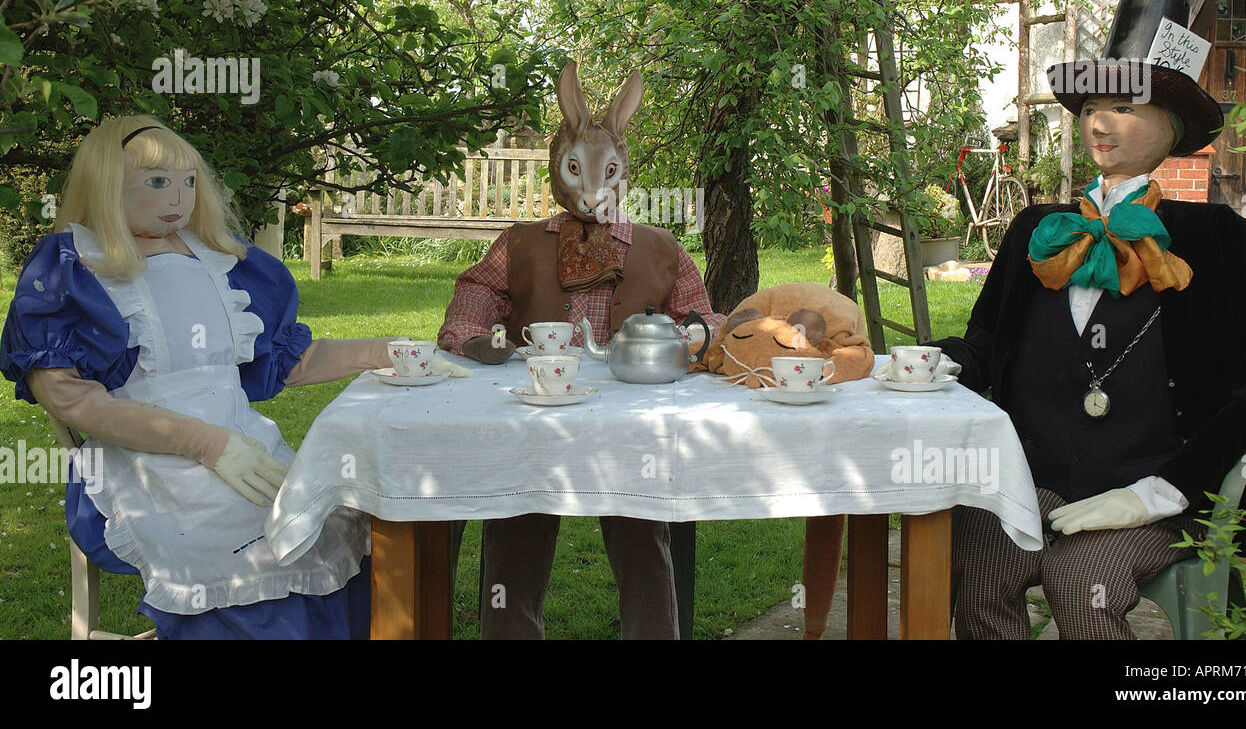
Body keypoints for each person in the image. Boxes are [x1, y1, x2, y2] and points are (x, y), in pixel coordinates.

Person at [927, 0, 1246, 639]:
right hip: (1026, 476)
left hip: (1151, 487)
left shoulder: (1213, 237)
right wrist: (940, 364)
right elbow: (985, 344)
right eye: (1093, 106)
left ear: (1173, 127)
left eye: (1125, 106)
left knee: (1082, 583)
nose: (1102, 122)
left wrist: (1157, 492)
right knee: (981, 567)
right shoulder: (1036, 229)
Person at [1, 116, 398, 638]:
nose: (181, 197)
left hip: (246, 445)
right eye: (158, 182)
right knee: (241, 542)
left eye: (189, 181)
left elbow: (286, 361)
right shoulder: (74, 268)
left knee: (331, 521)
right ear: (105, 185)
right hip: (141, 460)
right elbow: (72, 402)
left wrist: (383, 350)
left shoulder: (216, 260)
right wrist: (203, 442)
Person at [437, 62, 727, 638]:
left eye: (607, 172)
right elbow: (477, 292)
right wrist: (474, 336)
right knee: (514, 529)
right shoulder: (521, 244)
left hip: (632, 425)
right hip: (534, 418)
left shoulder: (659, 248)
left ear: (624, 171)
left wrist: (695, 334)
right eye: (577, 170)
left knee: (643, 533)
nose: (592, 189)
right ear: (558, 168)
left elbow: (703, 313)